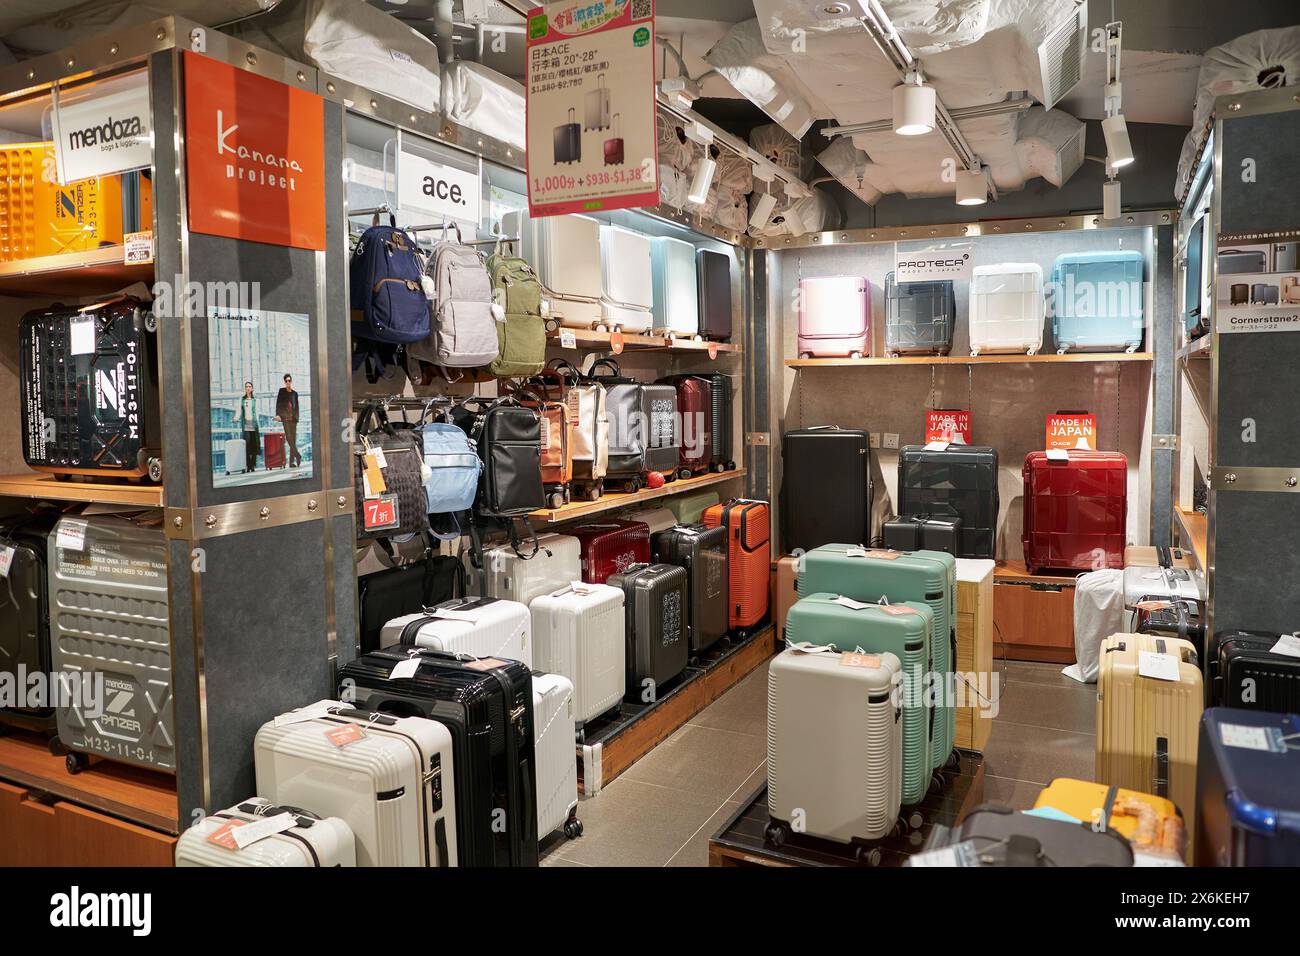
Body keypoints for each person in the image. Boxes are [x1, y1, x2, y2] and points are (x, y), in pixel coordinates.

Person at [275, 373, 303, 468]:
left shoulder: (295, 393)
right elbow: (278, 403)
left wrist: (297, 418)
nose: (288, 382)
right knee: (289, 438)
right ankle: (298, 456)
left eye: (289, 380)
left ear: (291, 381)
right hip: (285, 418)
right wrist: (278, 414)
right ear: (284, 382)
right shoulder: (282, 391)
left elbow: (297, 407)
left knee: (293, 440)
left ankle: (291, 462)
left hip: (293, 419)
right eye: (286, 381)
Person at [236, 381, 259, 472]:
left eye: (249, 386)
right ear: (245, 389)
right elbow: (239, 411)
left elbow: (257, 413)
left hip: (254, 425)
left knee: (254, 445)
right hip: (245, 426)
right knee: (247, 445)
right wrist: (236, 418)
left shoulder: (255, 400)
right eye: (246, 387)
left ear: (252, 388)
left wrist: (257, 424)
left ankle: (252, 465)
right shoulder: (241, 400)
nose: (248, 388)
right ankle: (248, 465)